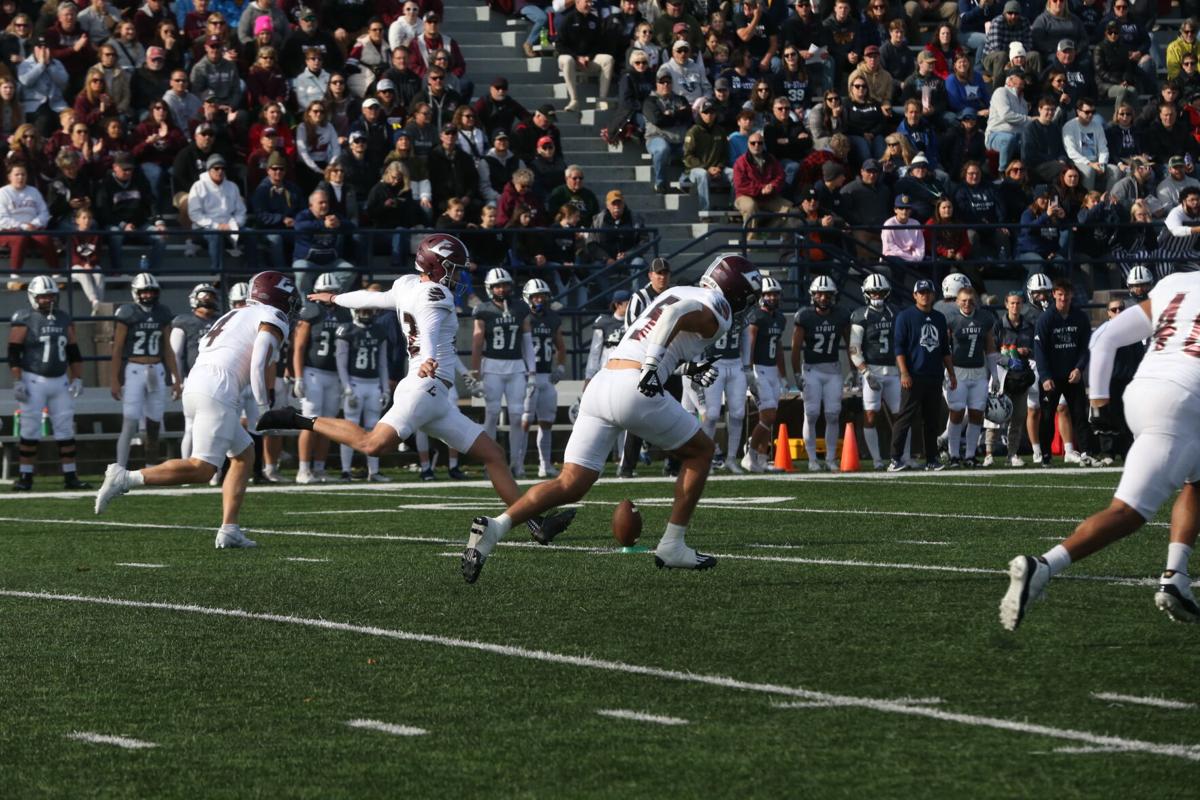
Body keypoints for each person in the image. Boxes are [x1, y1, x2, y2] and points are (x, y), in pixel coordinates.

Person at [460, 254, 763, 583]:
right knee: (702, 452)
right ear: (734, 291)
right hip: (633, 385)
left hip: (604, 382)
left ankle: (497, 526)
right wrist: (653, 365)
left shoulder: (675, 291)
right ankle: (673, 545)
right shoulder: (715, 305)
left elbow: (653, 331)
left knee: (571, 483)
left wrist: (679, 365)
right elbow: (674, 319)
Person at [260, 235, 573, 518]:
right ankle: (297, 419)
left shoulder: (407, 284)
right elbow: (430, 324)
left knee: (493, 454)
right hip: (426, 386)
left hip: (435, 395)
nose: (459, 275)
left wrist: (336, 299)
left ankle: (531, 521)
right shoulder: (436, 294)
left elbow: (375, 299)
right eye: (454, 268)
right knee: (372, 445)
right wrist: (431, 357)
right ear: (437, 266)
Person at [1000, 271, 1200, 630]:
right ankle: (1042, 567)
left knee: (1197, 478)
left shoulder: (1176, 283)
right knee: (1128, 512)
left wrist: (1098, 400)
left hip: (1145, 390)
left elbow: (1106, 335)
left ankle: (1176, 577)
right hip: (1182, 401)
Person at [96, 272, 299, 549]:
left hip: (199, 381)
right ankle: (125, 478)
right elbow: (258, 360)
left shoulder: (233, 314)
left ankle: (230, 529)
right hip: (219, 387)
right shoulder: (273, 316)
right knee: (202, 469)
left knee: (244, 455)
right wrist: (265, 407)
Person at [8, 276, 89, 491]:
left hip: (60, 380)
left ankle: (70, 476)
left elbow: (74, 351)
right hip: (33, 379)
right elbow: (14, 353)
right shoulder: (24, 318)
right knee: (30, 428)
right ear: (33, 297)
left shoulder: (63, 318)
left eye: (51, 296)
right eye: (43, 297)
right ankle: (26, 477)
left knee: (65, 429)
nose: (48, 300)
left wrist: (78, 377)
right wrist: (17, 380)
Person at [110, 273, 182, 469]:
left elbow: (168, 349)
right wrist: (114, 379)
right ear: (135, 293)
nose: (148, 295)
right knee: (130, 422)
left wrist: (176, 378)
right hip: (134, 369)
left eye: (151, 291)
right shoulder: (127, 312)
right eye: (144, 292)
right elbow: (117, 348)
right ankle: (119, 468)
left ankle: (151, 469)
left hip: (157, 370)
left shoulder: (162, 312)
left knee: (154, 424)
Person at [471, 268, 534, 477]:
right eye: (497, 285)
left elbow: (527, 342)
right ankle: (491, 463)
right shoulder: (483, 310)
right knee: (491, 414)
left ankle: (517, 463)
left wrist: (531, 371)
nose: (501, 289)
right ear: (490, 288)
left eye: (505, 285)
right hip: (492, 366)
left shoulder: (521, 308)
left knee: (517, 415)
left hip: (516, 366)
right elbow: (477, 343)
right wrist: (474, 373)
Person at [889, 279, 955, 471]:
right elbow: (899, 348)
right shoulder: (905, 317)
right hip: (913, 374)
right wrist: (904, 373)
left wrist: (951, 373)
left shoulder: (939, 318)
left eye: (928, 292)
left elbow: (944, 349)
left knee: (932, 420)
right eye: (921, 292)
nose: (925, 296)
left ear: (934, 295)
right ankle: (895, 458)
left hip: (934, 375)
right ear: (915, 295)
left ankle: (932, 459)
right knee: (905, 417)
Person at [292, 273, 350, 484]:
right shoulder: (310, 311)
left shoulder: (345, 314)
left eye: (333, 292)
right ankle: (303, 469)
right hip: (313, 372)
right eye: (325, 292)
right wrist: (298, 377)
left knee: (328, 424)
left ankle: (319, 468)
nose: (328, 296)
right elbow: (299, 346)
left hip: (335, 374)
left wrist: (346, 379)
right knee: (310, 422)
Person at [791, 275, 849, 473]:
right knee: (812, 413)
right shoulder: (805, 316)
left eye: (827, 294)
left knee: (833, 414)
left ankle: (831, 458)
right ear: (813, 295)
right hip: (812, 370)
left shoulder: (841, 315)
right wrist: (796, 373)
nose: (823, 298)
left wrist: (855, 370)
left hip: (833, 370)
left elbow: (850, 345)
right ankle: (812, 459)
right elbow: (796, 347)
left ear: (833, 296)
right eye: (819, 294)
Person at [850, 273, 908, 470]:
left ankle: (904, 457)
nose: (877, 296)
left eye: (880, 292)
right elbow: (854, 349)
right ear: (866, 294)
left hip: (893, 371)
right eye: (873, 292)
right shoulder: (860, 315)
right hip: (872, 371)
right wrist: (865, 373)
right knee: (870, 415)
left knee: (901, 415)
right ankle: (876, 460)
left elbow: (903, 343)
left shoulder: (896, 313)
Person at [335, 288, 392, 483]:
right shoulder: (347, 330)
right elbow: (341, 363)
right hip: (355, 384)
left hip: (373, 384)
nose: (367, 314)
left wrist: (385, 388)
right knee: (350, 428)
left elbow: (383, 363)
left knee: (374, 429)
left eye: (369, 311)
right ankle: (345, 470)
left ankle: (373, 471)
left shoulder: (379, 331)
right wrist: (347, 387)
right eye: (363, 311)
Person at [943, 285, 999, 468]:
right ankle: (953, 455)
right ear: (957, 301)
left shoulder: (984, 318)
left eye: (970, 300)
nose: (967, 304)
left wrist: (995, 375)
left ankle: (970, 455)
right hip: (958, 371)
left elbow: (990, 348)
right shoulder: (951, 319)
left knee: (976, 414)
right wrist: (948, 372)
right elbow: (945, 349)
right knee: (957, 412)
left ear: (975, 301)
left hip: (978, 372)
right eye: (963, 300)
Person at [740, 277, 787, 475]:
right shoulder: (756, 316)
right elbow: (749, 343)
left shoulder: (780, 318)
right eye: (768, 293)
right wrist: (748, 369)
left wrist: (783, 375)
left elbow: (777, 349)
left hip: (771, 371)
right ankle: (749, 453)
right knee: (768, 415)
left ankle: (761, 458)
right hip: (758, 368)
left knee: (768, 418)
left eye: (775, 293)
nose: (772, 297)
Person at [170, 283, 220, 463]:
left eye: (211, 297)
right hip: (193, 379)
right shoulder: (184, 322)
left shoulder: (220, 321)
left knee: (218, 425)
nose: (208, 301)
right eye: (204, 297)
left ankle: (215, 469)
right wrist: (178, 379)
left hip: (217, 379)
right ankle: (186, 465)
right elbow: (175, 353)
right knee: (191, 426)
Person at [521, 279, 567, 479]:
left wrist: (561, 367)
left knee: (546, 422)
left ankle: (545, 465)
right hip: (527, 376)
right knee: (523, 422)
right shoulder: (523, 317)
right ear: (528, 298)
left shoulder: (552, 319)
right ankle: (518, 464)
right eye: (535, 296)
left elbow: (561, 346)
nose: (540, 300)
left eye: (542, 296)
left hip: (546, 376)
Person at [988, 290, 1037, 468]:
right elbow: (991, 352)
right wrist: (1009, 357)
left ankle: (1012, 454)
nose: (1015, 306)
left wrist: (1026, 352)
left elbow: (1034, 349)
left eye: (1018, 303)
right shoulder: (998, 326)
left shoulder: (1029, 327)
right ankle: (988, 453)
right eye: (1012, 303)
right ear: (1006, 305)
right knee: (994, 415)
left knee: (1018, 416)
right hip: (1001, 374)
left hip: (1020, 376)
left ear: (1022, 305)